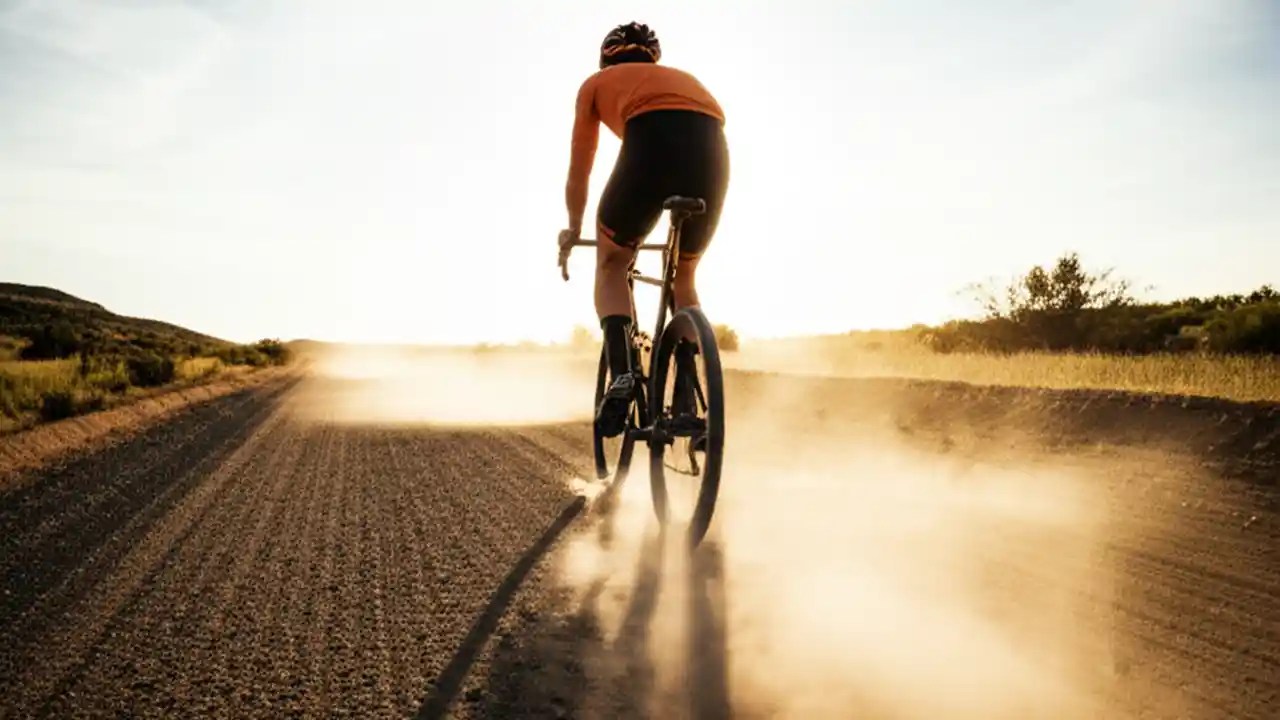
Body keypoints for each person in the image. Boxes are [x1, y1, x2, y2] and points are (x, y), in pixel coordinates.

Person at [558, 22, 730, 438]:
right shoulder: (685, 80)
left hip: (650, 141)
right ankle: (687, 394)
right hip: (712, 149)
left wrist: (574, 227)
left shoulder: (597, 83)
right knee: (684, 275)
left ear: (605, 57)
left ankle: (623, 375)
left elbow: (580, 168)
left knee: (613, 262)